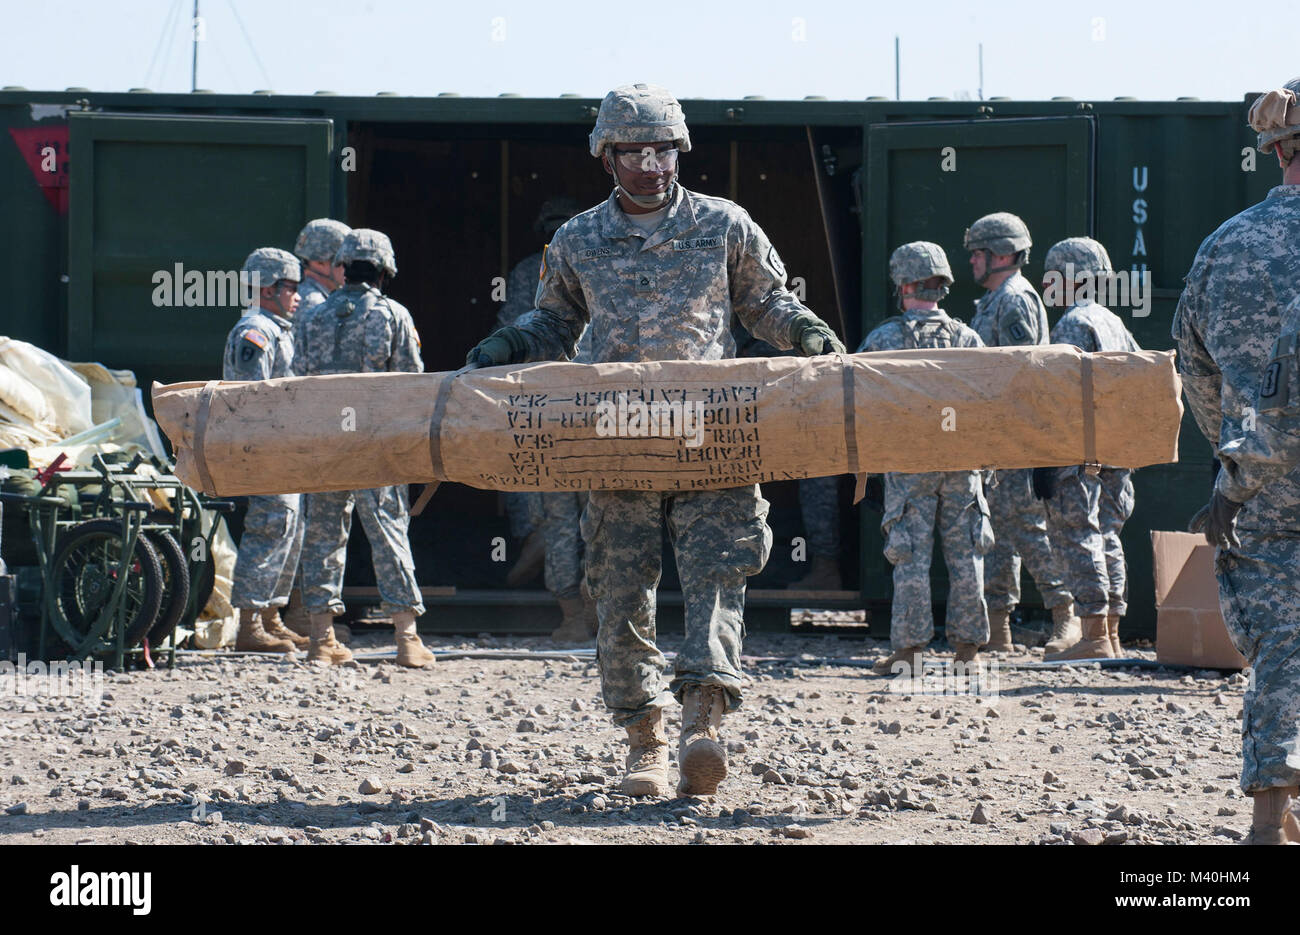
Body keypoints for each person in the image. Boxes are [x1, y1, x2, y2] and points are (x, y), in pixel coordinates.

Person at [465, 82, 846, 797]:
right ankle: (644, 736)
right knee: (619, 589)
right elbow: (554, 322)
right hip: (617, 438)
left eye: (663, 150)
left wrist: (804, 330)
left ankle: (704, 718)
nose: (651, 165)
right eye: (635, 152)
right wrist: (511, 341)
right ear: (607, 157)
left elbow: (764, 302)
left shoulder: (723, 224)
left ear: (680, 151)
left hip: (713, 435)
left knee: (718, 577)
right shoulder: (578, 238)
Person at [1175, 80, 1300, 845]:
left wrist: (1239, 459)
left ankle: (1269, 812)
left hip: (1261, 485)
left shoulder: (1228, 245)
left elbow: (1193, 367)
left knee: (1282, 634)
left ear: (1278, 151)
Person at [292, 229, 435, 668]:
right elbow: (412, 383)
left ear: (343, 265)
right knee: (389, 534)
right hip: (376, 446)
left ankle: (320, 639)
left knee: (323, 537)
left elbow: (297, 381)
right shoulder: (393, 315)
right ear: (384, 269)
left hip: (326, 444)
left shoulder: (313, 318)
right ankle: (407, 639)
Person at [865, 243, 992, 675]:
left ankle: (910, 652)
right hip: (964, 463)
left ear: (902, 285)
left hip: (909, 464)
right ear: (942, 286)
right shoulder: (969, 339)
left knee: (911, 556)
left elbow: (861, 404)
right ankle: (969, 654)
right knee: (968, 556)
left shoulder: (883, 340)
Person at [964, 212, 1076, 653]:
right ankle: (998, 629)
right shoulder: (995, 300)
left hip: (1015, 436)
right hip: (996, 438)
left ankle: (1067, 614)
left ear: (1004, 254)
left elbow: (1027, 372)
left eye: (979, 253)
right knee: (999, 535)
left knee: (1026, 528)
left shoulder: (1015, 299)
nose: (972, 261)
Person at [495, 198, 597, 642]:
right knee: (601, 520)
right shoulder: (601, 268)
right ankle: (595, 613)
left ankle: (573, 614)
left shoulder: (524, 274)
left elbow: (508, 340)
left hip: (548, 422)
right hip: (598, 423)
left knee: (559, 522)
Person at [1037, 237, 1140, 660]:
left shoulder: (1073, 324)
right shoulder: (1114, 322)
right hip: (1115, 448)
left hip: (1079, 451)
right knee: (1108, 536)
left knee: (1078, 535)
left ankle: (1094, 635)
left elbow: (1057, 395)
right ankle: (1110, 633)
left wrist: (1047, 458)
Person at [222, 247, 309, 654]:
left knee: (289, 528)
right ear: (270, 290)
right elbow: (253, 398)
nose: (298, 296)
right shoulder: (254, 332)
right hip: (267, 448)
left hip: (284, 448)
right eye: (292, 288)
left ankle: (271, 615)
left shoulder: (277, 328)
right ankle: (249, 625)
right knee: (269, 527)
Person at [293, 218, 351, 314]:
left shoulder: (300, 292)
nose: (351, 268)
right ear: (320, 262)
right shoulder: (313, 304)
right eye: (344, 261)